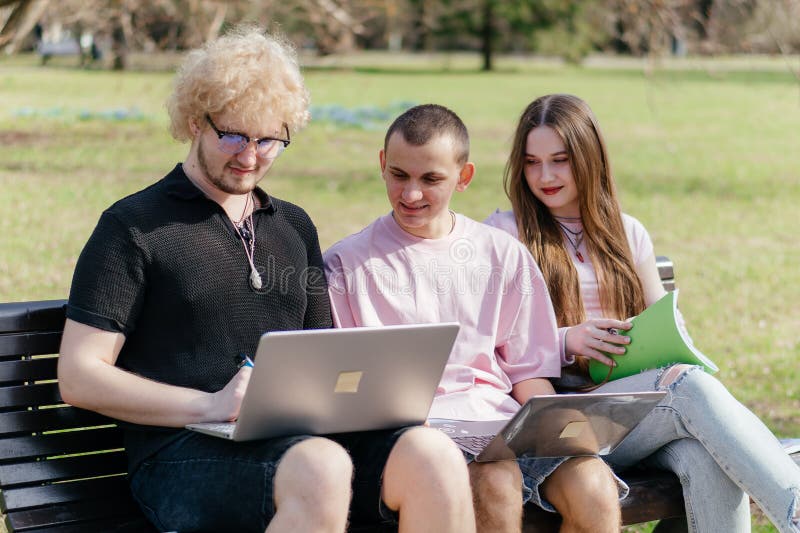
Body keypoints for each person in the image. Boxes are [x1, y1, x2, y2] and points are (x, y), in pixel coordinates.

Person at [57, 27, 475, 533]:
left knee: (432, 454)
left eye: (269, 140)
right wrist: (210, 404)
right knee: (320, 465)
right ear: (194, 120)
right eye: (233, 135)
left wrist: (387, 405)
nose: (250, 156)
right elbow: (79, 376)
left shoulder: (292, 225)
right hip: (181, 454)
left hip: (300, 444)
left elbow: (325, 352)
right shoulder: (134, 227)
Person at [485, 92, 800, 533]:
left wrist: (651, 340)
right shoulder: (504, 233)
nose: (546, 175)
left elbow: (669, 328)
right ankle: (796, 512)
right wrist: (565, 339)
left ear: (589, 158)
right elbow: (488, 341)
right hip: (560, 422)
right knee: (688, 387)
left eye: (560, 160)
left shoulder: (627, 233)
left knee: (703, 457)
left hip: (630, 414)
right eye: (533, 162)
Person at [323, 103, 625, 533]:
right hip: (419, 436)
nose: (411, 194)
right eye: (399, 175)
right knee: (497, 481)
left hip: (503, 427)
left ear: (463, 178)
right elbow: (353, 390)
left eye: (430, 180)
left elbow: (529, 373)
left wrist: (556, 428)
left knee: (594, 488)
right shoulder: (345, 264)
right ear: (382, 165)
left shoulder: (501, 254)